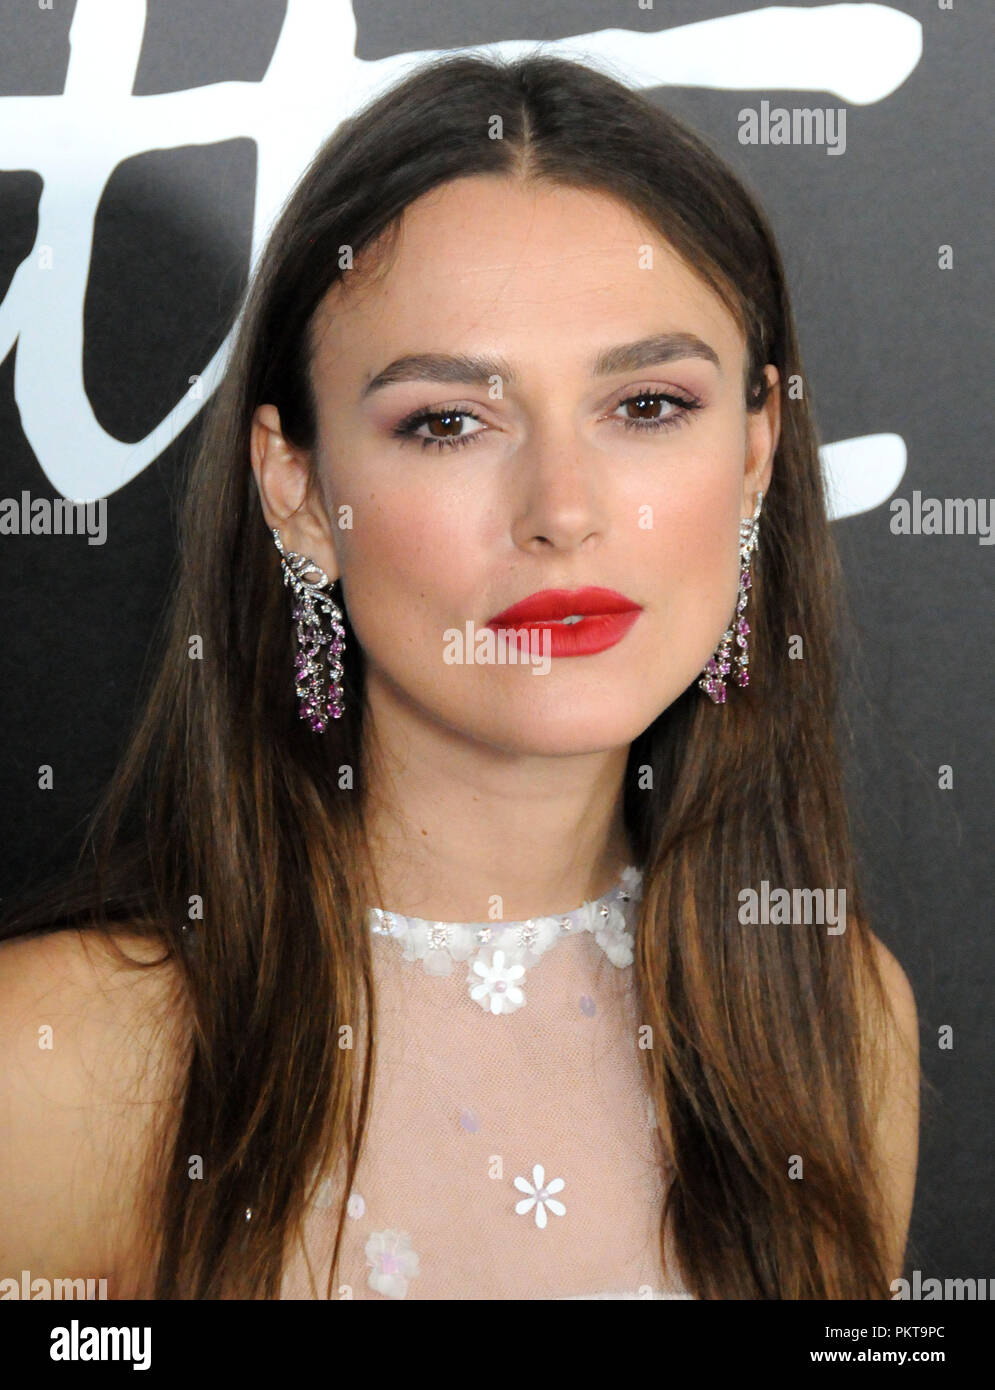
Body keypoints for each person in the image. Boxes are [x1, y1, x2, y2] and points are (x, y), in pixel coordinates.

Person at [0, 51, 918, 1300]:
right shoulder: (56, 1069)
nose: (561, 511)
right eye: (448, 420)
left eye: (647, 405)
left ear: (754, 451)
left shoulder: (835, 1024)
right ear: (300, 493)